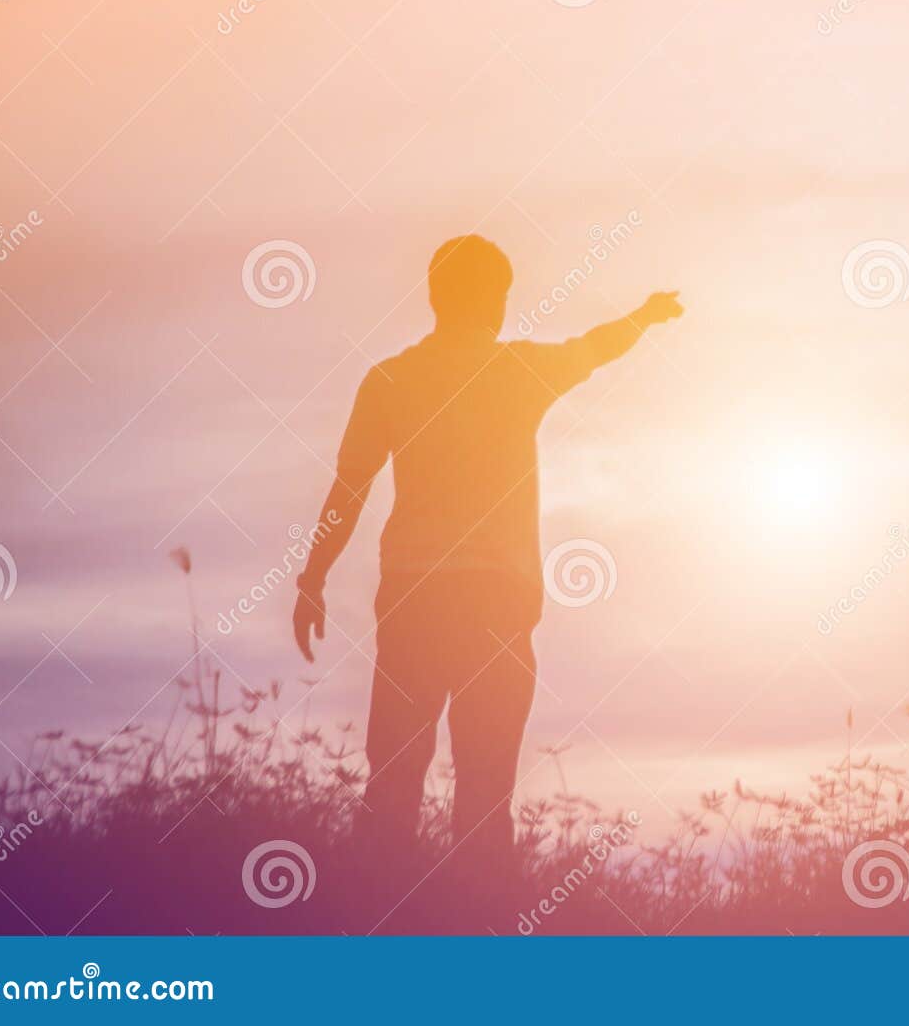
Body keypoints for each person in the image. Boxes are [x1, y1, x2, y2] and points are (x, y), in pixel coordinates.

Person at [291, 234, 682, 877]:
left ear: (434, 295)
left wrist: (313, 577)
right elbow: (595, 348)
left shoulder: (391, 378)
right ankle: (480, 931)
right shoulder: (519, 371)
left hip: (416, 598)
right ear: (496, 300)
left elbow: (349, 486)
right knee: (485, 783)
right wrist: (643, 315)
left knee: (392, 778)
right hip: (497, 604)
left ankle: (371, 928)